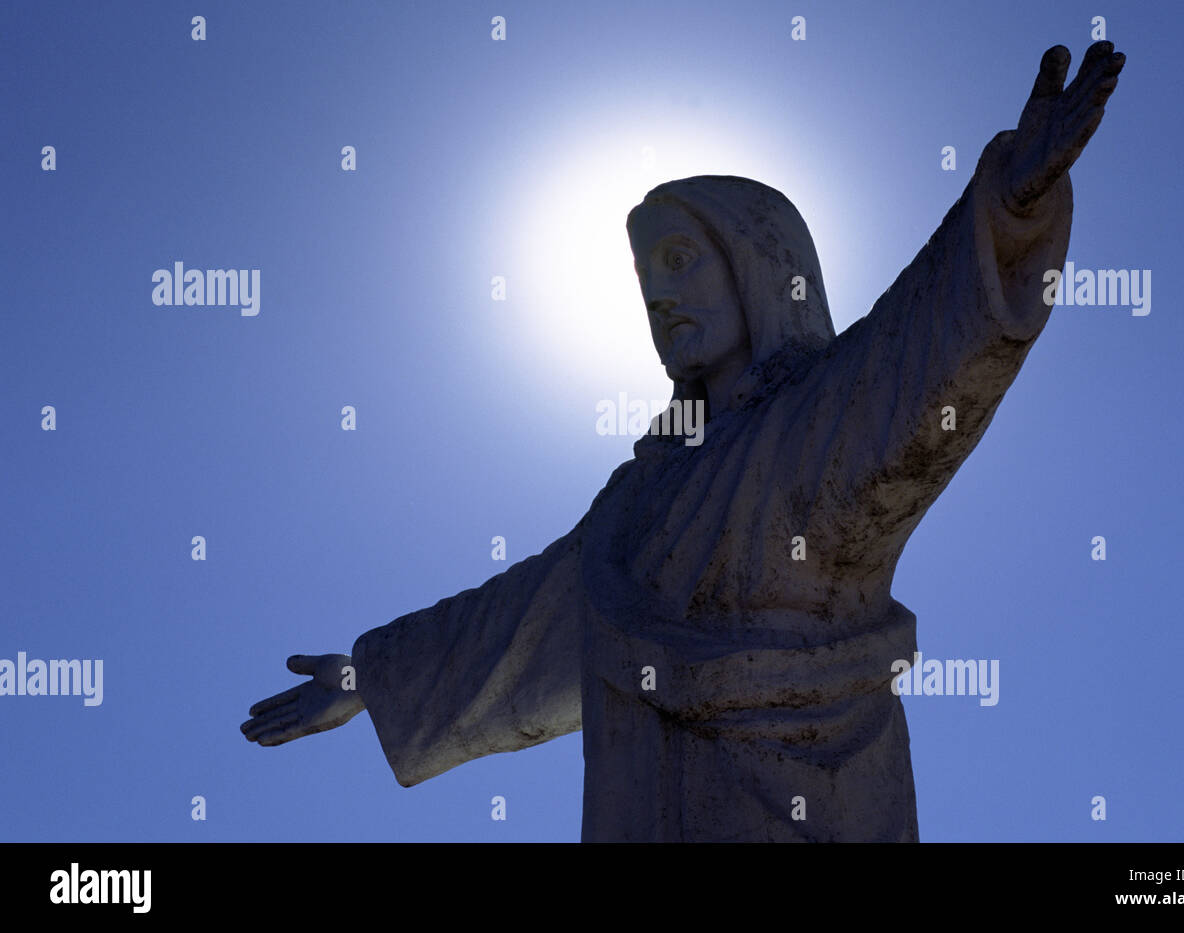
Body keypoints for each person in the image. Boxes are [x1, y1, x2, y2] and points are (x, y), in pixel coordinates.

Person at [242, 41, 1125, 841]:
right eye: (643, 277)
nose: (658, 298)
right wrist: (374, 676)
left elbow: (922, 355)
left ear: (755, 268)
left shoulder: (816, 424)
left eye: (679, 261)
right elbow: (516, 622)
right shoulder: (641, 502)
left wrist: (1008, 207)